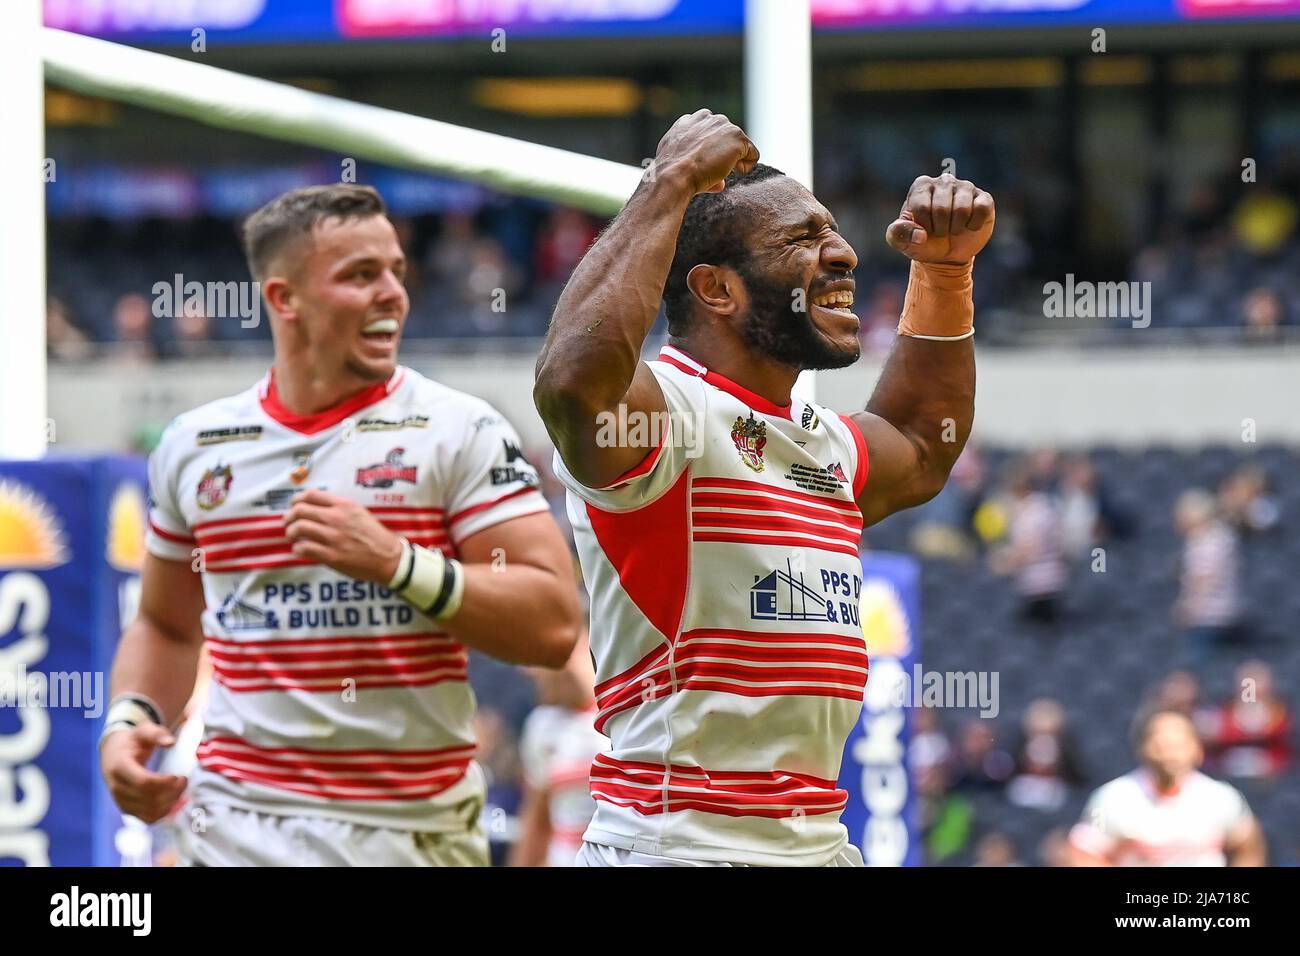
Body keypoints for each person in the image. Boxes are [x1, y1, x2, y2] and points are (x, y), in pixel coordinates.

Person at [534, 109, 994, 866]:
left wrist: (944, 272)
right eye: (801, 239)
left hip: (816, 843)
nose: (843, 252)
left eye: (832, 231)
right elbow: (572, 385)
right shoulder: (668, 417)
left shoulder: (823, 440)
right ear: (717, 289)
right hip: (679, 846)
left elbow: (921, 441)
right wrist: (670, 180)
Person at [100, 184, 582, 866]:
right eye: (361, 275)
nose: (393, 294)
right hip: (232, 833)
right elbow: (167, 626)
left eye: (396, 271)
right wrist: (131, 719)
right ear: (284, 299)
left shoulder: (459, 430)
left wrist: (399, 564)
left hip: (410, 840)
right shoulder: (196, 445)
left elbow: (553, 624)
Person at [1066, 710, 1266, 866]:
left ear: (1197, 750)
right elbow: (1082, 853)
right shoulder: (1112, 799)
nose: (1170, 755)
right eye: (1162, 746)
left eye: (1178, 746)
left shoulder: (1221, 798)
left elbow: (1248, 844)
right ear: (1143, 749)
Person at [509, 633, 609, 867]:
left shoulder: (624, 718)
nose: (527, 671)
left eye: (535, 656)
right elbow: (536, 821)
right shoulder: (541, 726)